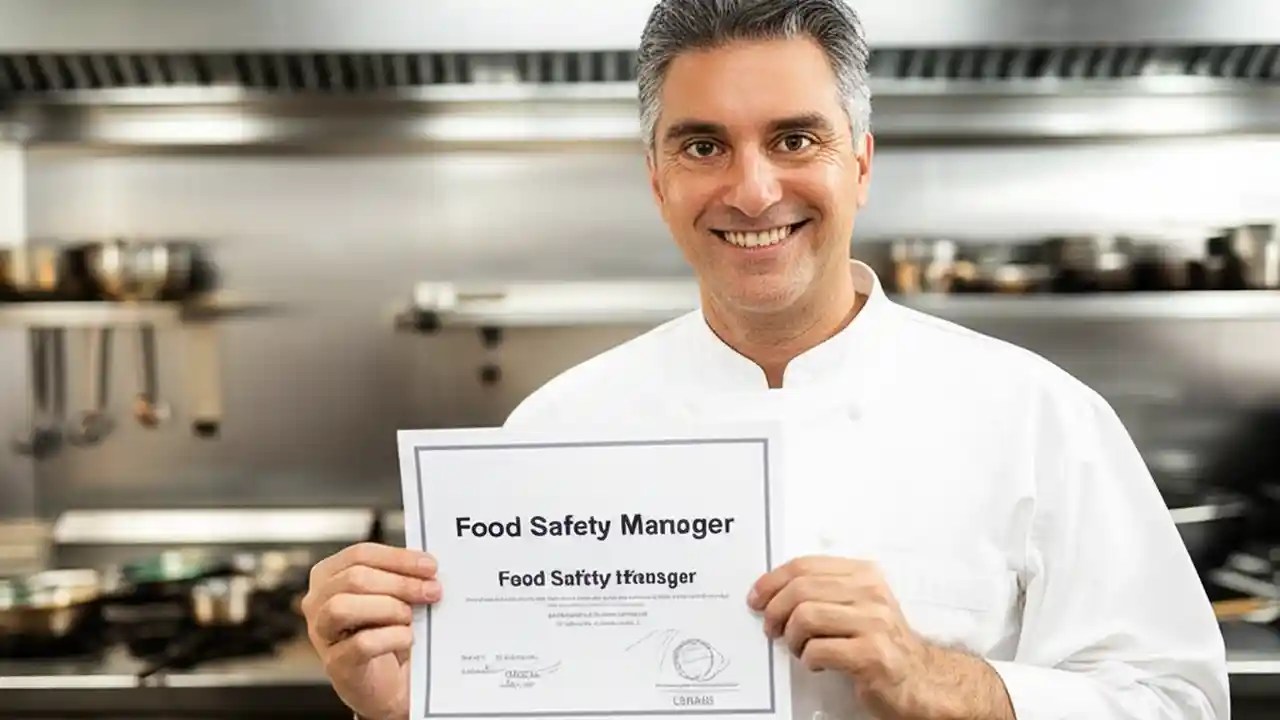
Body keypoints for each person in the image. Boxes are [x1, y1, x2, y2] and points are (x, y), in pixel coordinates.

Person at [301, 1, 1230, 718]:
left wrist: (942, 680)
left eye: (794, 139)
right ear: (658, 180)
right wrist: (406, 706)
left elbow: (1178, 702)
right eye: (704, 145)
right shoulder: (556, 428)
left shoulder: (1038, 415)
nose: (751, 191)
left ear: (860, 164)